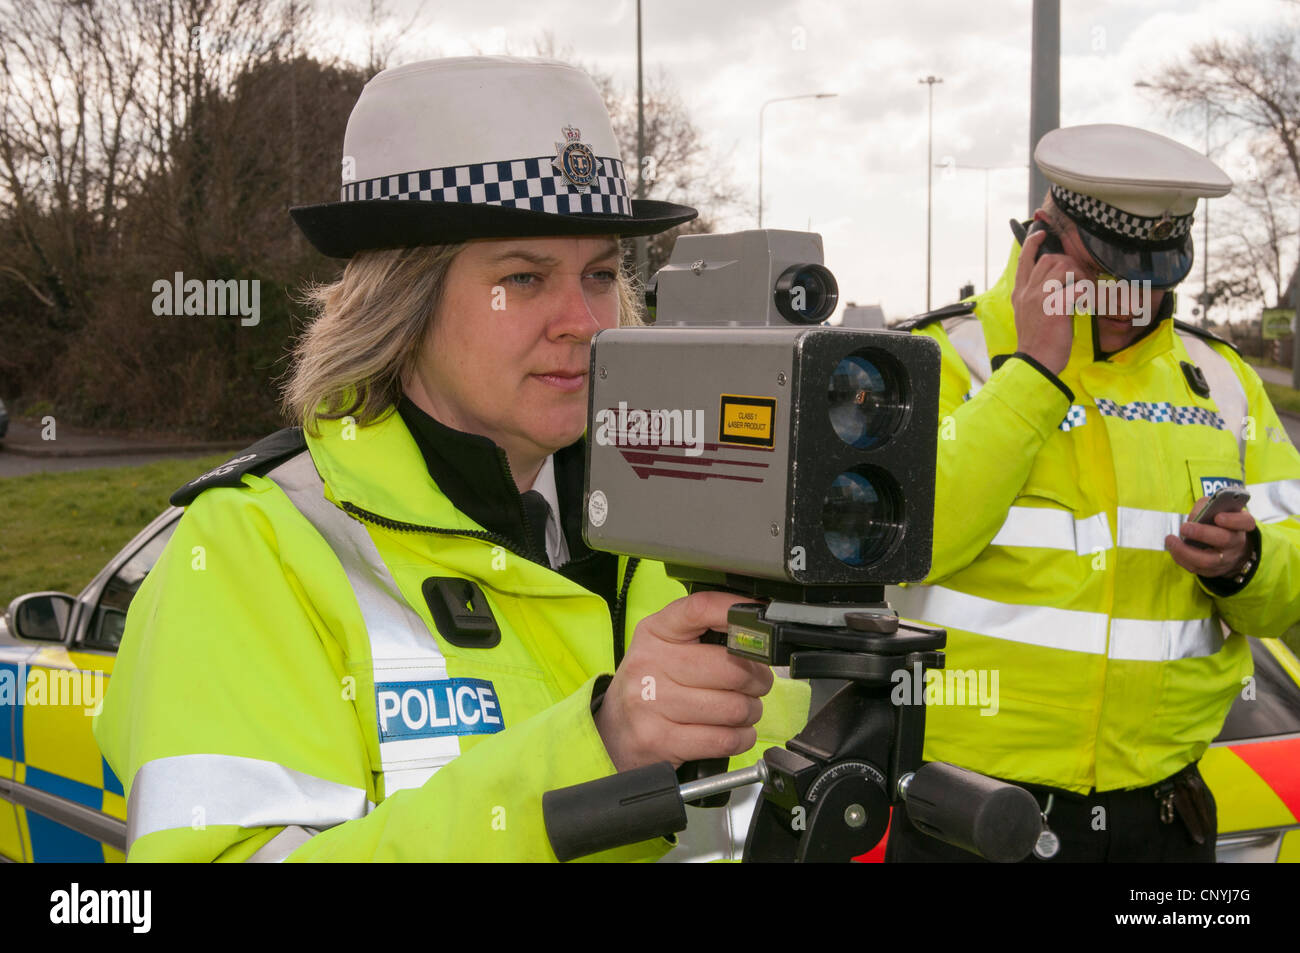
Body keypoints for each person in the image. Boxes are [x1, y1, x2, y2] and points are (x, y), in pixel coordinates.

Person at [94, 55, 809, 862]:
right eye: (524, 277)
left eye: (600, 273)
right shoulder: (251, 548)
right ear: (402, 300)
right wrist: (596, 755)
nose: (582, 318)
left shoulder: (691, 531)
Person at [886, 123, 1300, 862]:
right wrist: (1034, 376)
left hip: (1162, 821)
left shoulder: (1227, 384)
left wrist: (1245, 562)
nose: (1131, 304)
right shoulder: (938, 359)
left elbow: (1291, 594)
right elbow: (906, 543)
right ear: (1042, 237)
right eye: (1108, 275)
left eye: (1154, 282)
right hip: (973, 819)